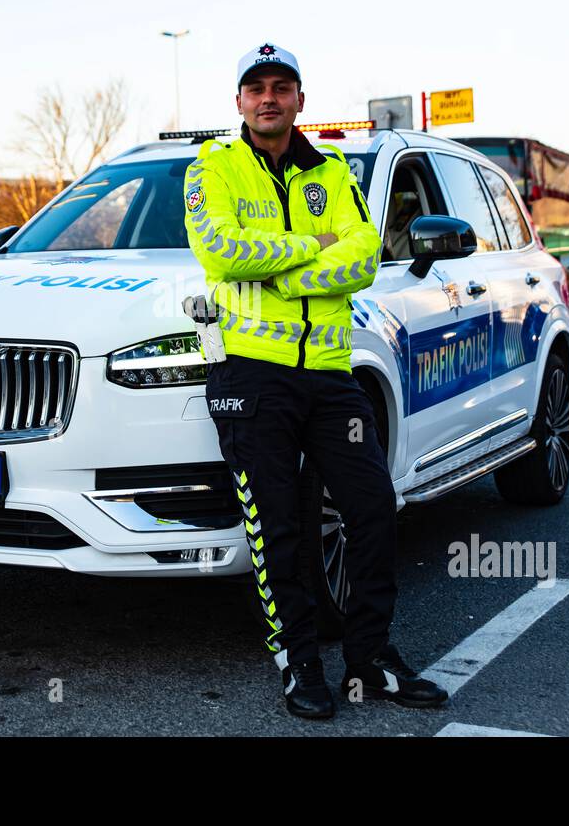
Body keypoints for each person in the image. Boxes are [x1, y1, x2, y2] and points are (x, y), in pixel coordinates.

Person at [183, 42, 448, 720]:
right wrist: (312, 248)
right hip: (251, 373)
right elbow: (221, 250)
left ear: (300, 98)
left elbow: (361, 257)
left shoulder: (331, 171)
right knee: (276, 527)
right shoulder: (211, 169)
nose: (268, 97)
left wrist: (276, 265)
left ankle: (370, 656)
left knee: (372, 506)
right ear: (239, 101)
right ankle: (299, 661)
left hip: (330, 372)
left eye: (281, 86)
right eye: (255, 88)